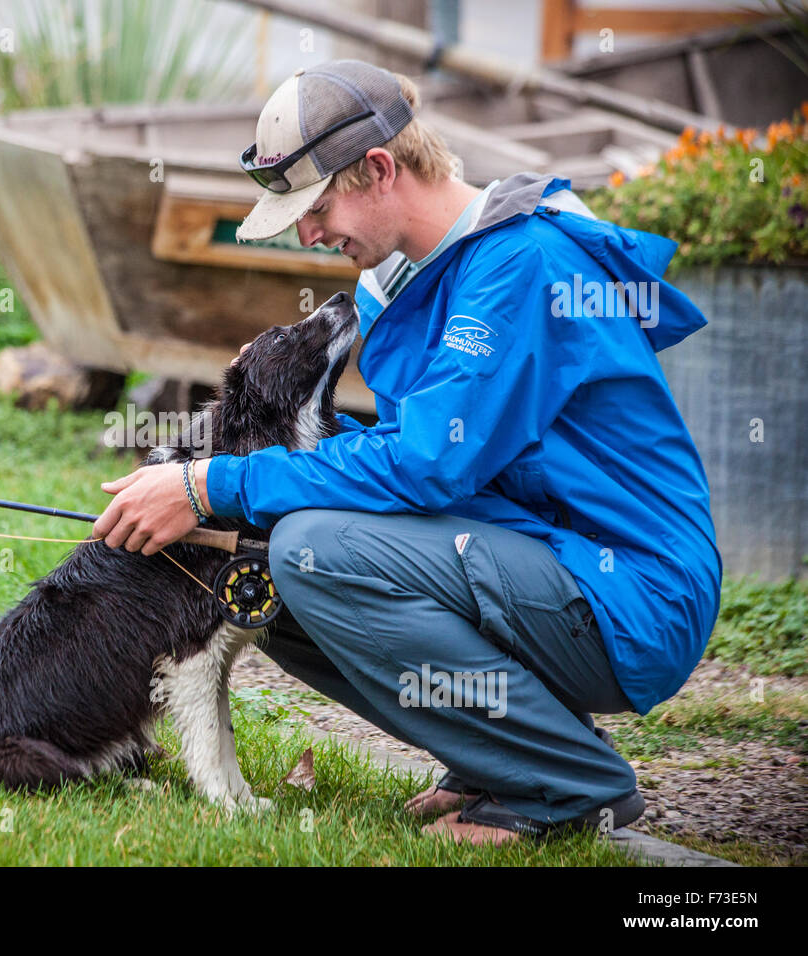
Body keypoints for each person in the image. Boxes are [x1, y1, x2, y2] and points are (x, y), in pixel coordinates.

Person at [92, 60, 722, 845]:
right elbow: (405, 465)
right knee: (261, 572)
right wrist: (201, 486)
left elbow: (425, 466)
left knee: (316, 552)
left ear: (380, 170)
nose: (310, 235)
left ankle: (563, 786)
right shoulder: (394, 278)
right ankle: (502, 756)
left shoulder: (519, 264)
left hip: (632, 590)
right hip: (535, 555)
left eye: (315, 208)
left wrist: (214, 483)